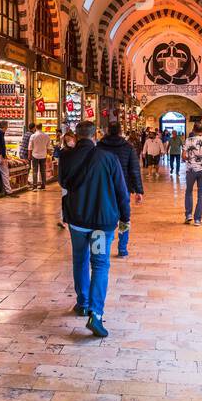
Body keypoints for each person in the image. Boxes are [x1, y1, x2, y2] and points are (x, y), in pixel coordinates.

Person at [58, 120, 130, 338]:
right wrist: (125, 218)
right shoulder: (109, 158)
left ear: (77, 137)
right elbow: (121, 192)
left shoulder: (66, 156)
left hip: (78, 221)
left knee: (79, 259)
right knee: (99, 264)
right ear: (94, 136)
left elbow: (63, 183)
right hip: (101, 222)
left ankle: (82, 302)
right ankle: (96, 314)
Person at [98, 121, 143, 258]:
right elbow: (134, 170)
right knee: (124, 217)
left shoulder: (99, 146)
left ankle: (100, 248)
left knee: (101, 217)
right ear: (120, 131)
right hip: (123, 187)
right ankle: (122, 248)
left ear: (107, 131)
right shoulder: (128, 147)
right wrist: (138, 191)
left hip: (103, 187)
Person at [27, 123, 50, 191]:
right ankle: (43, 185)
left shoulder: (33, 136)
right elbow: (48, 147)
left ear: (36, 127)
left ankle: (35, 186)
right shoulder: (46, 136)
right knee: (43, 171)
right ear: (41, 127)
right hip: (43, 155)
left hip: (35, 155)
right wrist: (48, 154)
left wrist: (29, 155)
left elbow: (30, 147)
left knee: (35, 171)